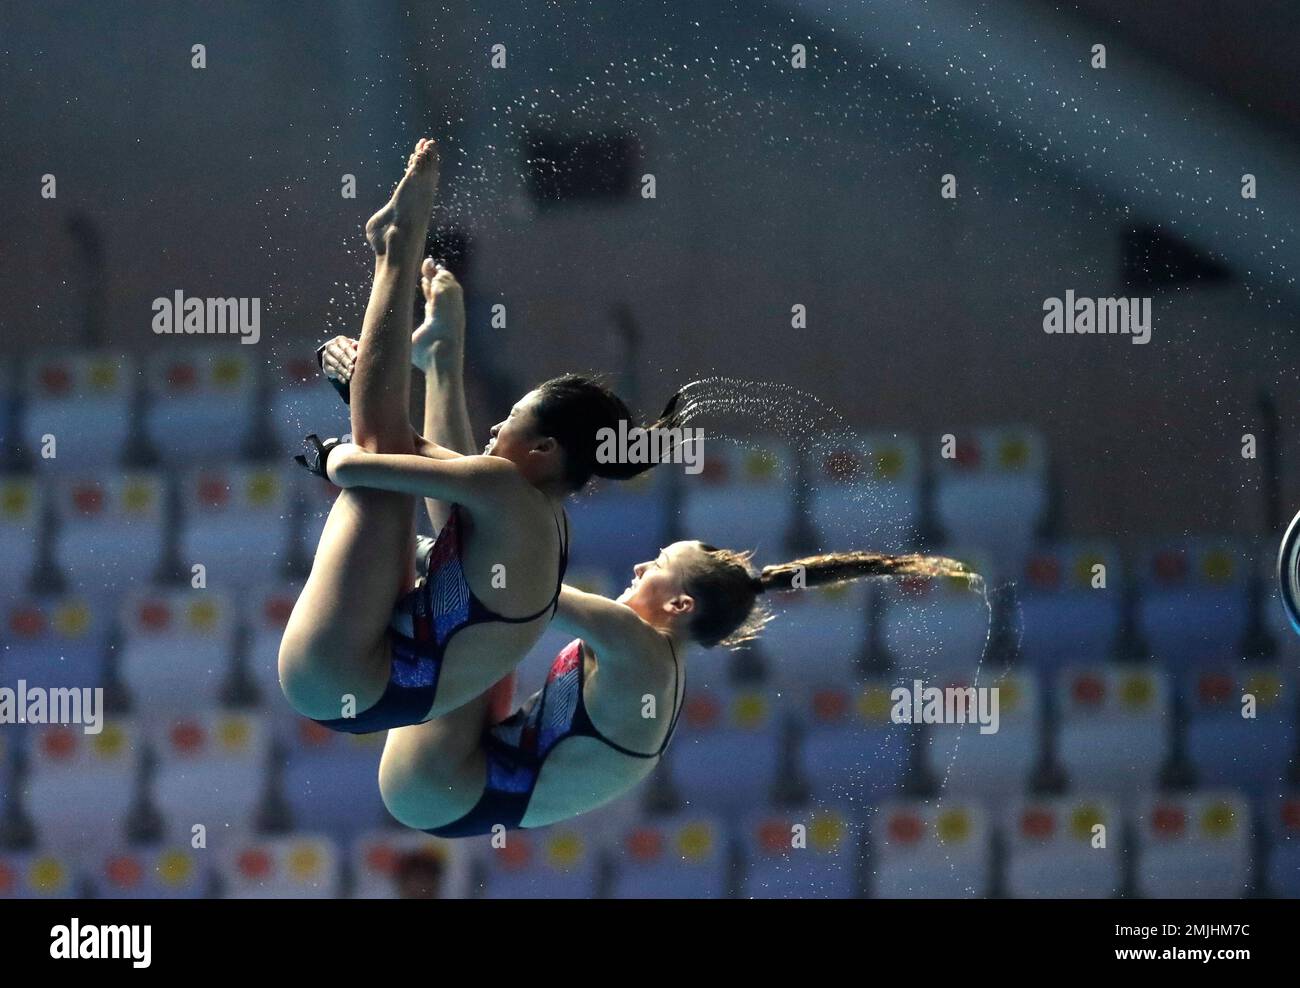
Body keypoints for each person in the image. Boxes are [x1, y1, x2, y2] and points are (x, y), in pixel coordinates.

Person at [277, 138, 674, 735]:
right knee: (385, 455)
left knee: (380, 458)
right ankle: (397, 258)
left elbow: (367, 463)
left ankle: (398, 250)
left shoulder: (512, 497)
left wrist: (345, 431)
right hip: (358, 685)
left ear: (543, 450)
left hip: (348, 673)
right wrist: (393, 386)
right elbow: (410, 461)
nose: (494, 428)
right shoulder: (530, 510)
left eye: (510, 419)